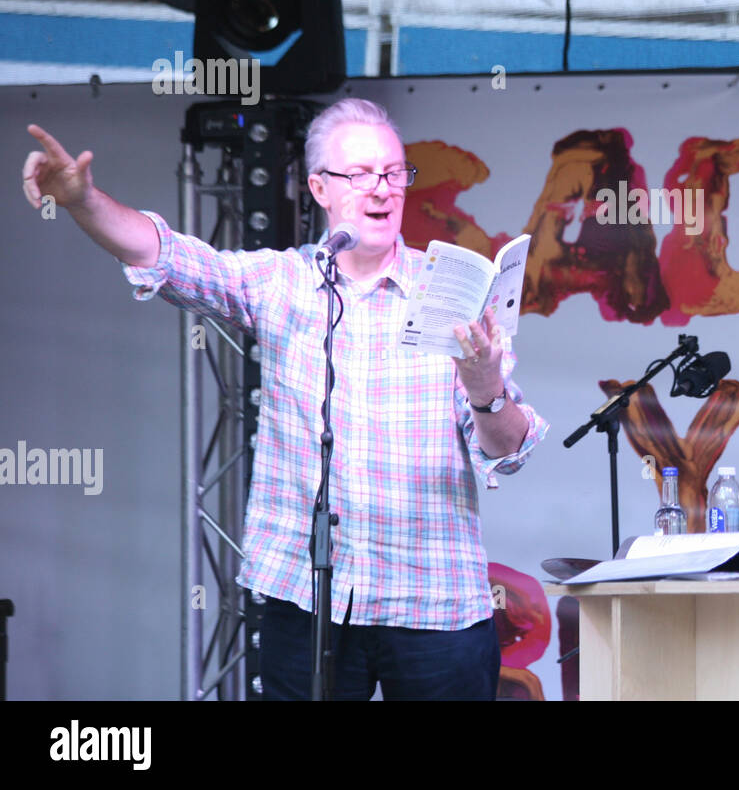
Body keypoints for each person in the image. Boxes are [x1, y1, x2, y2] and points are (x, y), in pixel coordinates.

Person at [21, 98, 547, 700]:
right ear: (320, 187)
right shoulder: (282, 284)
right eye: (361, 174)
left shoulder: (454, 294)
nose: (383, 189)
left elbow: (509, 450)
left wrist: (485, 388)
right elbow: (161, 255)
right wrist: (83, 199)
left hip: (433, 600)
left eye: (395, 172)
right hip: (309, 596)